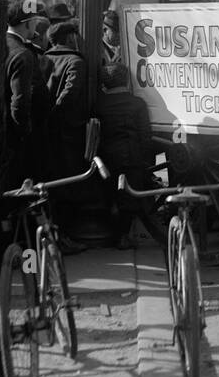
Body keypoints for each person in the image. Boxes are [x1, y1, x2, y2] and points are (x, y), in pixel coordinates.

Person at [94, 62, 153, 250]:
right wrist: (147, 160)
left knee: (110, 195)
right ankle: (122, 236)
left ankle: (114, 233)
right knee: (128, 198)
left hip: (107, 157)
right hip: (131, 156)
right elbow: (145, 134)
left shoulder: (99, 104)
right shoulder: (137, 104)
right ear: (126, 79)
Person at [44, 20, 90, 252]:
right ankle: (64, 237)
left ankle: (54, 234)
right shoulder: (75, 62)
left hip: (46, 132)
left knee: (51, 184)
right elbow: (70, 93)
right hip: (69, 132)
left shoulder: (42, 58)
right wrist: (58, 113)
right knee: (69, 184)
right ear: (70, 38)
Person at [4, 0, 48, 186]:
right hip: (18, 140)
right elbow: (20, 103)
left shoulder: (1, 45)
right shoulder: (22, 54)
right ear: (26, 23)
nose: (37, 25)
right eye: (35, 20)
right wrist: (24, 134)